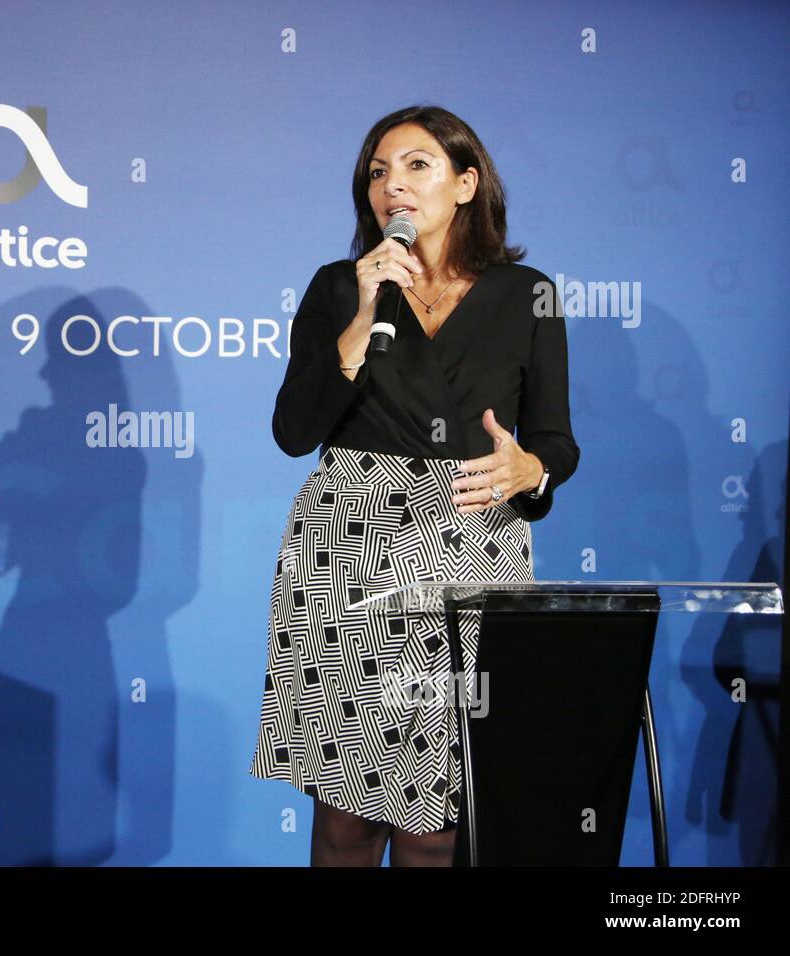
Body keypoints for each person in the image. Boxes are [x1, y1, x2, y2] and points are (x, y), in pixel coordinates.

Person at [247, 105, 580, 866]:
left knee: (438, 826)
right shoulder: (340, 288)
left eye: (416, 165)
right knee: (345, 818)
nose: (391, 184)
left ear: (466, 183)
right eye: (377, 171)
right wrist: (363, 319)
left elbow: (555, 438)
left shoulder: (528, 294)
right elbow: (293, 432)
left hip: (470, 548)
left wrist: (534, 469)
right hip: (350, 552)